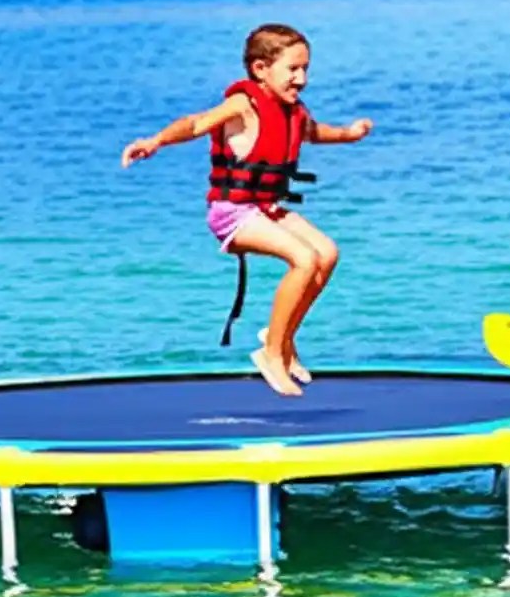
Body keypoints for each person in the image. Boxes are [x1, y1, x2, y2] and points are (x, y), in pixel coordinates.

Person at [121, 24, 373, 396]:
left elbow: (314, 132)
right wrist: (155, 141)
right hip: (232, 213)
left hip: (265, 207)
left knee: (327, 253)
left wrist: (349, 134)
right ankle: (271, 354)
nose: (302, 79)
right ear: (260, 69)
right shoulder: (244, 104)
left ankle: (281, 337)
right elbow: (195, 124)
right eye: (293, 69)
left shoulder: (292, 111)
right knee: (304, 259)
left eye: (306, 69)